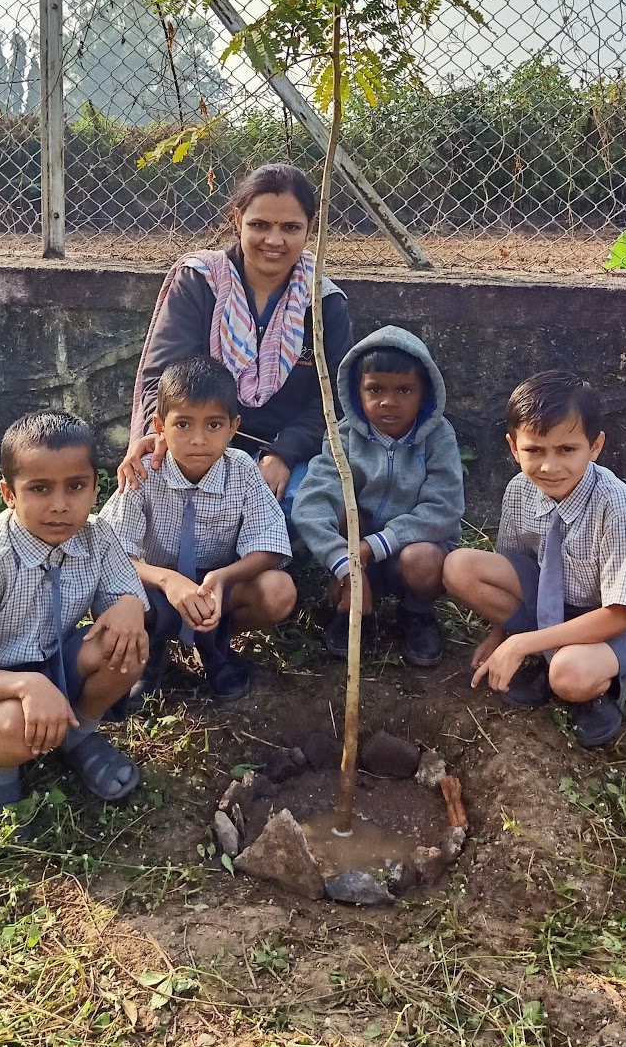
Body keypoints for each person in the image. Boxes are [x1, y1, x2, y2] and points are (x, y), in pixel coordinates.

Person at [0, 411, 148, 819]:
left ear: (96, 487)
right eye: (40, 489)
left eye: (76, 486)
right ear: (9, 494)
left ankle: (77, 733)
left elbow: (124, 593)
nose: (60, 506)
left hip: (57, 659)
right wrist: (27, 686)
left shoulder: (97, 535)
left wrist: (131, 603)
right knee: (13, 726)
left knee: (129, 644)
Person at [443, 370, 626, 749]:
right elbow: (514, 562)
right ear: (514, 448)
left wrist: (522, 644)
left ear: (594, 446)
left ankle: (597, 690)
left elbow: (618, 615)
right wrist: (501, 633)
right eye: (534, 450)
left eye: (567, 450)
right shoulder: (519, 489)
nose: (550, 467)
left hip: (616, 617)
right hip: (551, 601)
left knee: (568, 675)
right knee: (459, 566)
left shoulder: (616, 505)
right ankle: (544, 651)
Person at [119, 163, 353, 518]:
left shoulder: (323, 303)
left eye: (290, 227)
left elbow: (335, 400)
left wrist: (282, 454)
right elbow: (163, 376)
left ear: (311, 230)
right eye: (260, 225)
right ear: (237, 220)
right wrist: (163, 431)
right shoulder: (199, 282)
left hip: (286, 449)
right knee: (152, 490)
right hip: (202, 441)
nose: (274, 241)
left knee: (304, 504)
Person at [104, 355, 297, 704]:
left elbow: (271, 544)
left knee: (278, 588)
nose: (198, 439)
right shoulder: (142, 473)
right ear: (159, 426)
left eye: (213, 425)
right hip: (157, 586)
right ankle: (151, 652)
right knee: (118, 597)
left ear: (233, 426)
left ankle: (214, 647)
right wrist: (168, 580)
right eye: (183, 425)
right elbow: (111, 552)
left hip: (217, 587)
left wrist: (222, 579)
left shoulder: (241, 469)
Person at [292, 326, 464, 668]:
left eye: (404, 390)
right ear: (357, 392)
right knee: (340, 509)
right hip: (356, 552)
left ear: (425, 393)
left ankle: (417, 612)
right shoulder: (344, 435)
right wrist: (343, 563)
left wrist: (378, 544)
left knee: (422, 559)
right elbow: (311, 504)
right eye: (375, 389)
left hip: (410, 548)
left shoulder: (438, 437)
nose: (389, 401)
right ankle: (353, 608)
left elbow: (444, 508)